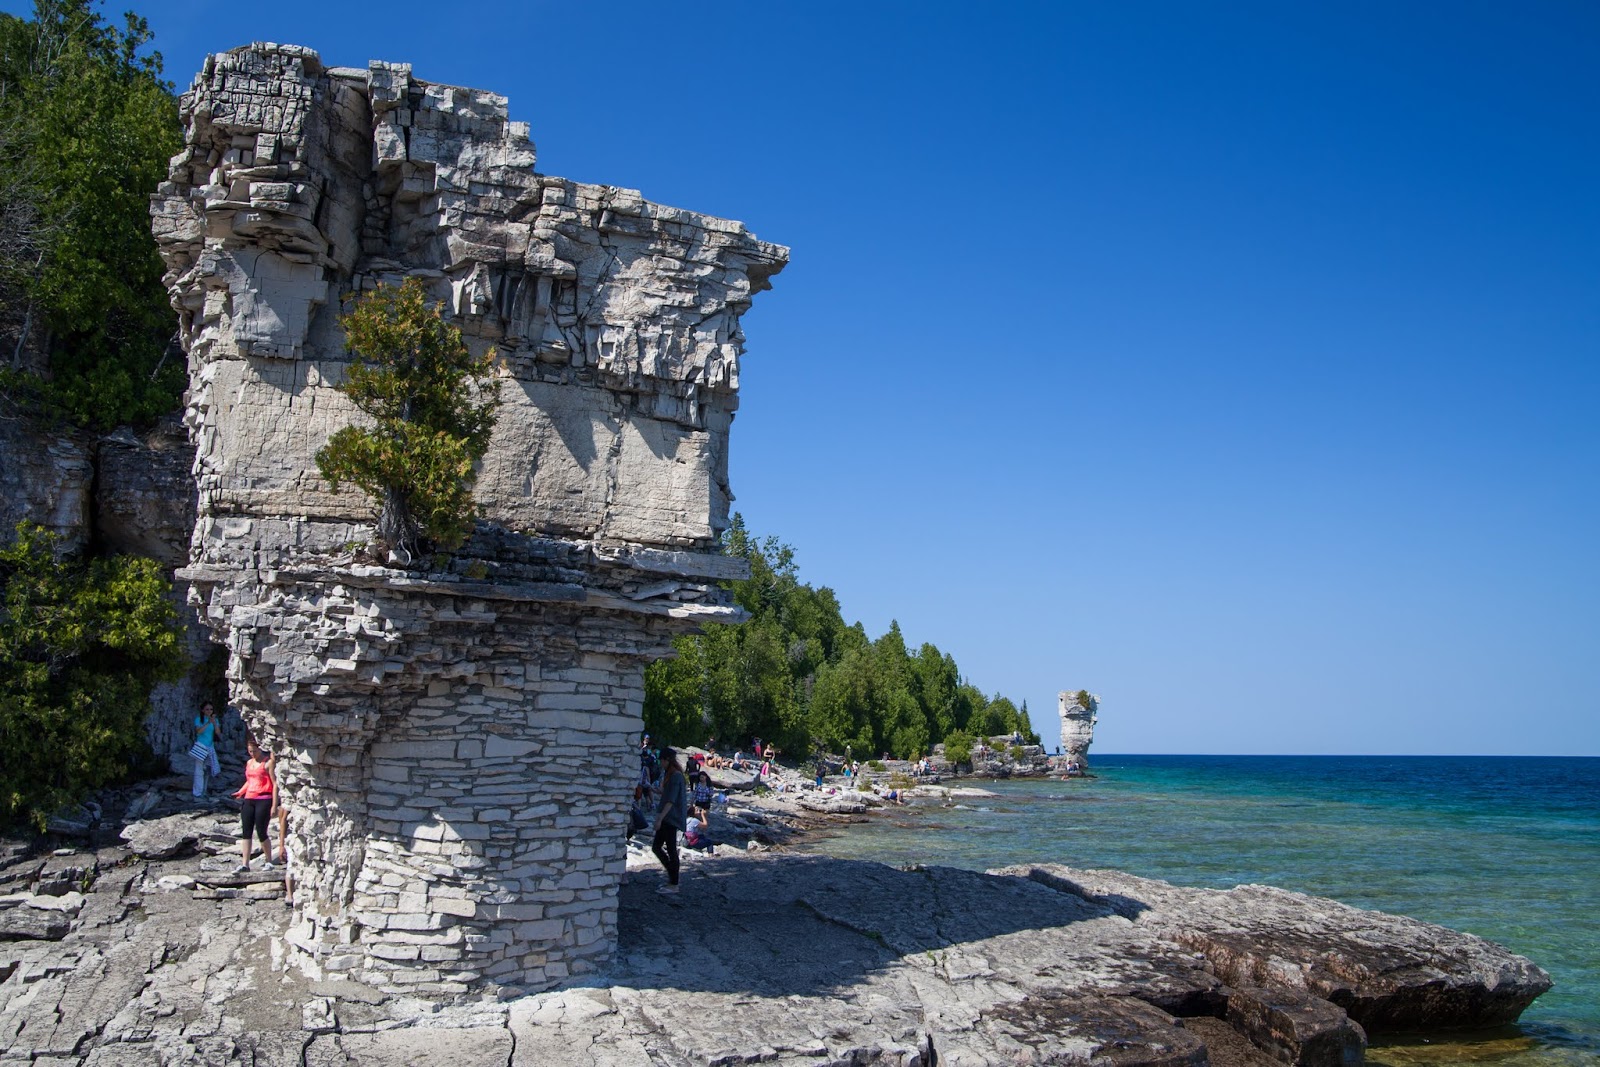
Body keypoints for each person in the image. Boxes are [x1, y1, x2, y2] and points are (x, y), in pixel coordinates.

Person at [231, 737, 276, 871]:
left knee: (261, 831)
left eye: (254, 751)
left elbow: (275, 784)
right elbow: (250, 780)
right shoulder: (249, 763)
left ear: (260, 749)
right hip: (249, 798)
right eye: (250, 751)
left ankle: (269, 861)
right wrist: (240, 792)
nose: (252, 754)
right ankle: (245, 864)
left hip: (264, 798)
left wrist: (274, 805)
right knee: (246, 831)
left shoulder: (268, 763)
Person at [652, 746, 687, 894]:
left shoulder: (675, 776)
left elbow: (671, 801)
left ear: (666, 760)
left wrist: (659, 818)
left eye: (661, 760)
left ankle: (674, 883)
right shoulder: (672, 774)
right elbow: (668, 795)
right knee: (658, 847)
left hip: (670, 817)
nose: (660, 763)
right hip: (669, 816)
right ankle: (672, 878)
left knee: (670, 849)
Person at [190, 701, 221, 798]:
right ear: (203, 710)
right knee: (199, 769)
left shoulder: (215, 720)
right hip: (201, 746)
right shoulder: (199, 719)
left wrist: (214, 723)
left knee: (209, 769)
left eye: (211, 709)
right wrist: (208, 722)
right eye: (207, 709)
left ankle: (204, 790)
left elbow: (218, 733)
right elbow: (198, 731)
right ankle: (197, 792)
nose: (209, 711)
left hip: (210, 746)